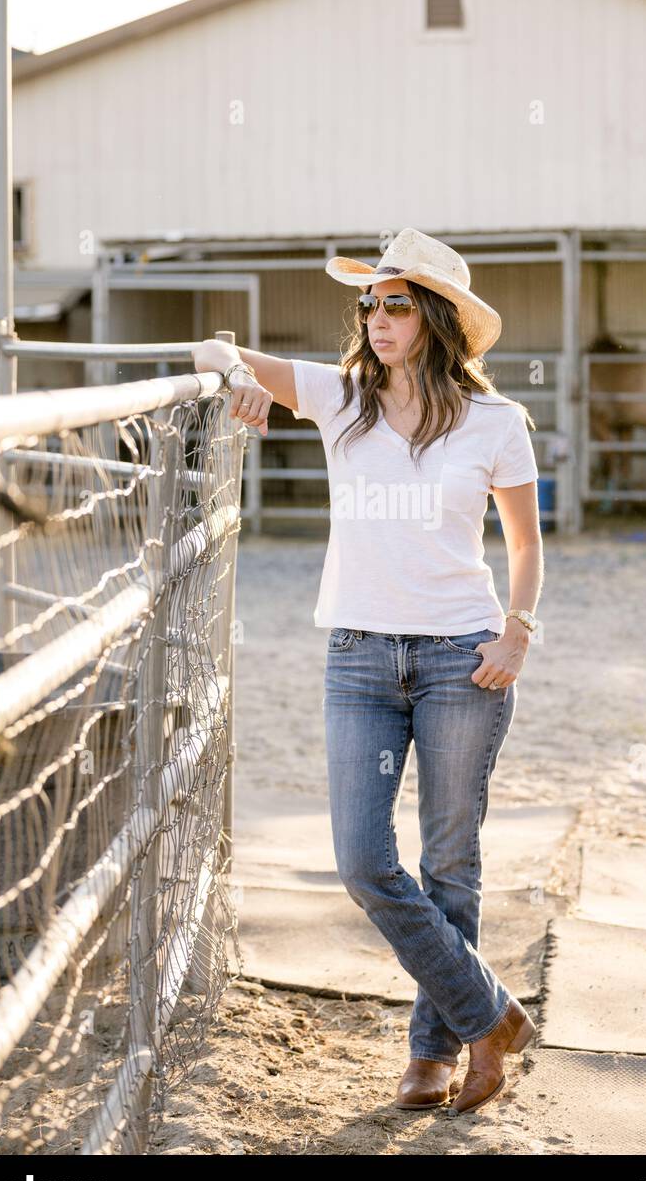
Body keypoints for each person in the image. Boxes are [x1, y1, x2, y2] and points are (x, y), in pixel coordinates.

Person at [194, 227, 544, 1117]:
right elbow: (219, 350)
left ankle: (435, 1056)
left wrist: (517, 631)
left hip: (461, 659)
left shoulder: (498, 424)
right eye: (370, 304)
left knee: (451, 861)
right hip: (357, 657)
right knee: (361, 859)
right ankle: (491, 1014)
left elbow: (525, 543)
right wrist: (236, 378)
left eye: (396, 303)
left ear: (435, 318)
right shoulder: (340, 398)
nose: (377, 317)